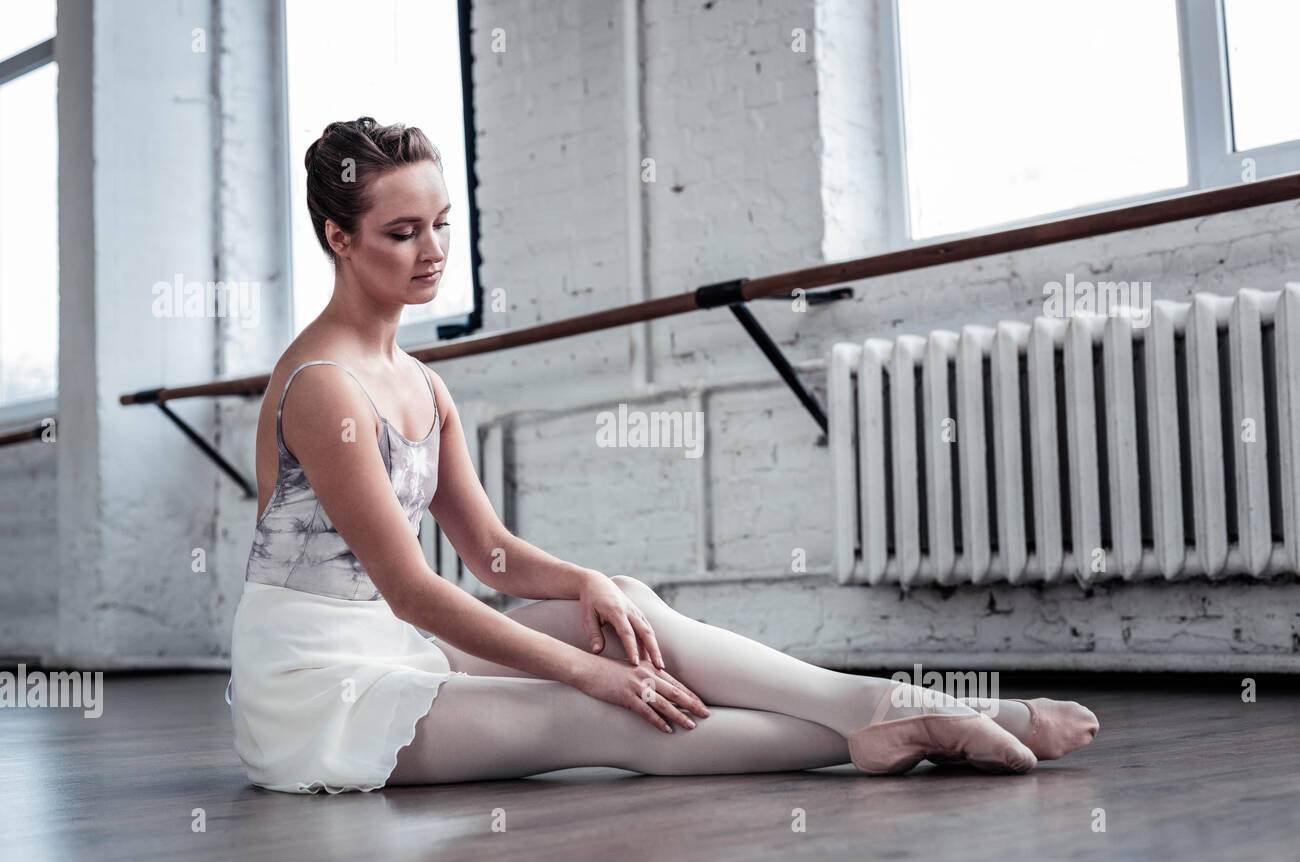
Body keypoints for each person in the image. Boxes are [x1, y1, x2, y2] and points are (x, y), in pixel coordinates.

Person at [226, 117, 1099, 794]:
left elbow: (488, 552)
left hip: (400, 647)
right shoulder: (323, 386)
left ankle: (892, 714)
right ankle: (951, 718)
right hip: (319, 690)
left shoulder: (421, 380)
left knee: (627, 609)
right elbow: (413, 588)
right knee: (597, 710)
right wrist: (595, 678)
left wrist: (585, 586)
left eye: (443, 225)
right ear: (340, 239)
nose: (435, 253)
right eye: (403, 232)